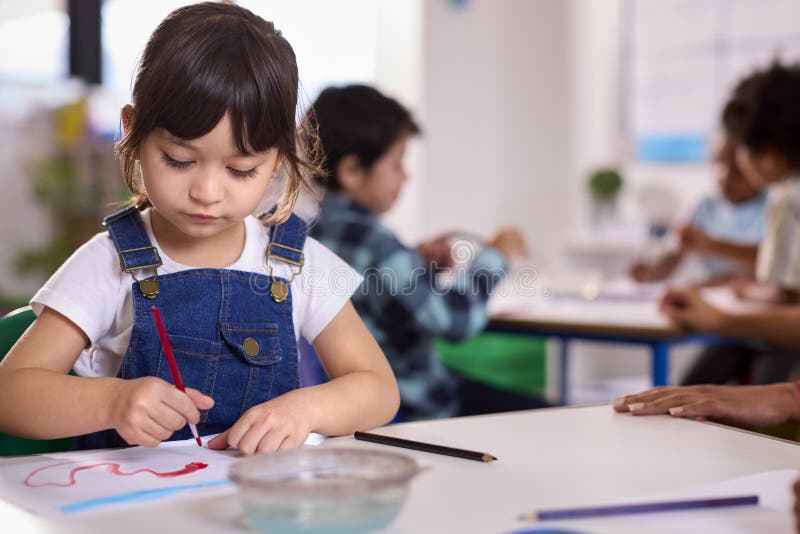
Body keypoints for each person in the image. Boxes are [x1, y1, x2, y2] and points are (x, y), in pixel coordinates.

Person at [0, 3, 399, 454]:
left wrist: (306, 410)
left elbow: (378, 388)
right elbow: (11, 394)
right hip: (130, 506)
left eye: (241, 169)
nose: (207, 192)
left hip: (250, 509)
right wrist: (111, 401)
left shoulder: (295, 265)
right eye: (180, 161)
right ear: (131, 132)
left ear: (277, 161)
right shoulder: (108, 261)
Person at [307, 84, 548, 421]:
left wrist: (418, 263)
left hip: (360, 407)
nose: (405, 176)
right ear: (351, 171)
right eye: (396, 163)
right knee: (548, 414)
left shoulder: (309, 227)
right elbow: (454, 320)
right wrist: (496, 257)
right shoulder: (373, 241)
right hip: (414, 408)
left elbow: (383, 297)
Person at [659, 61, 800, 385]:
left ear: (768, 152)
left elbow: (790, 309)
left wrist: (721, 318)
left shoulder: (786, 198)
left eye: (737, 153)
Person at [629, 137, 765, 286]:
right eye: (720, 164)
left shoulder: (774, 206)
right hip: (709, 295)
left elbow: (772, 261)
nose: (726, 176)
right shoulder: (705, 206)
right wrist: (651, 271)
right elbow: (674, 255)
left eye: (737, 169)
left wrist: (710, 245)